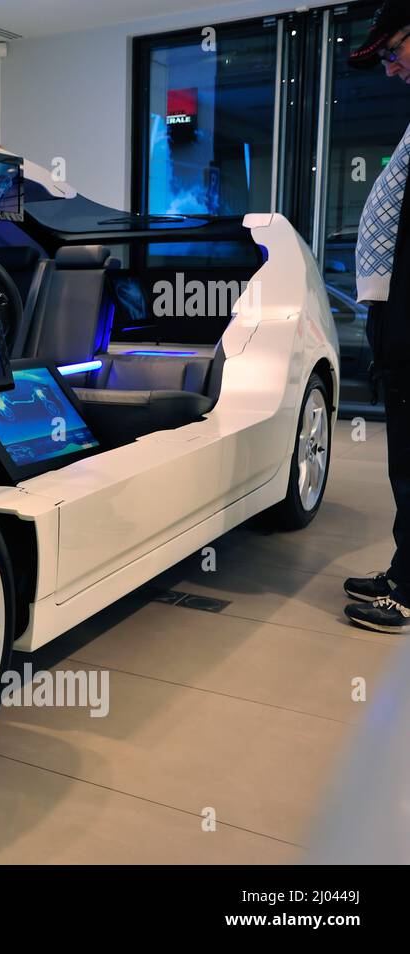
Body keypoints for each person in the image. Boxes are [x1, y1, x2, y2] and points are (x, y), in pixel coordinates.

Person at [345, 0, 410, 633]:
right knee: (403, 459)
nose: (389, 70)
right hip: (397, 314)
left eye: (392, 52)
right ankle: (405, 566)